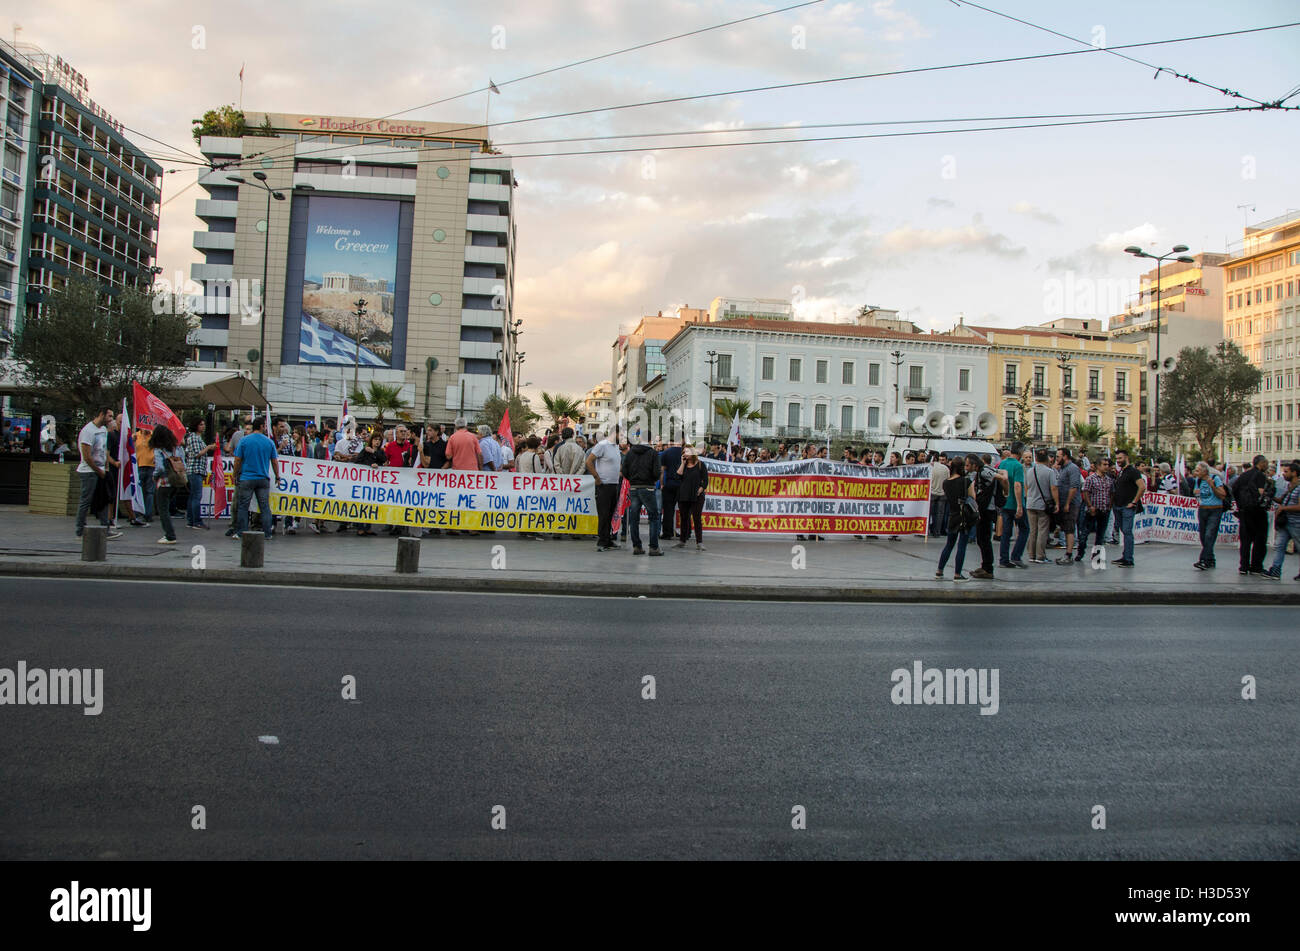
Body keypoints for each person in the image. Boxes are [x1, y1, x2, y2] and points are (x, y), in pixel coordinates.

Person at [229, 417, 279, 541]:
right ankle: (267, 533)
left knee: (243, 506)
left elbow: (237, 460)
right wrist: (277, 476)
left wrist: (235, 474)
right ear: (262, 426)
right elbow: (274, 461)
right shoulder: (269, 442)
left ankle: (241, 532)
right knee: (264, 507)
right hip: (263, 478)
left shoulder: (244, 441)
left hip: (246, 478)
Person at [74, 406, 121, 539]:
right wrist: (98, 470)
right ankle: (80, 529)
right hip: (89, 471)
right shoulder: (88, 431)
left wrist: (105, 469)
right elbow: (87, 456)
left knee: (104, 499)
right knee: (86, 500)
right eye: (110, 416)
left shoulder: (103, 430)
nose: (111, 419)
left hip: (101, 470)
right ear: (102, 414)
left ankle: (105, 528)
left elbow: (104, 451)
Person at [966, 452, 1007, 579]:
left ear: (974, 464)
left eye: (968, 465)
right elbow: (1003, 472)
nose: (967, 468)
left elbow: (1003, 477)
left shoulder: (984, 471)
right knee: (982, 538)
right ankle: (985, 566)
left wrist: (1006, 491)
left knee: (983, 539)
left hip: (987, 508)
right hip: (986, 507)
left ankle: (988, 569)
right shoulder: (985, 469)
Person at [621, 434, 663, 556]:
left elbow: (624, 471)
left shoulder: (630, 453)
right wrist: (652, 480)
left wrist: (633, 479)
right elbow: (657, 471)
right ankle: (654, 548)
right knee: (654, 517)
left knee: (634, 518)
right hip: (648, 488)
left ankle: (637, 546)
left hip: (633, 488)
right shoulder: (653, 453)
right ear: (650, 440)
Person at [1233, 454, 1273, 576]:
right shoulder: (1260, 475)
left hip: (1244, 511)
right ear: (1261, 463)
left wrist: (1240, 504)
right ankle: (1256, 566)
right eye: (1266, 463)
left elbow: (1234, 489)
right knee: (1259, 539)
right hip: (1257, 511)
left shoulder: (1243, 475)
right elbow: (1261, 493)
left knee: (1245, 540)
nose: (1267, 465)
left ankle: (1243, 566)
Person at [934, 456, 971, 581]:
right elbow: (973, 496)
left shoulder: (946, 482)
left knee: (949, 544)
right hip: (964, 515)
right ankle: (957, 573)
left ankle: (940, 570)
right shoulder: (965, 481)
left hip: (952, 514)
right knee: (962, 545)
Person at [587, 427, 623, 551]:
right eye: (621, 435)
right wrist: (596, 477)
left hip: (614, 485)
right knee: (603, 513)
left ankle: (607, 540)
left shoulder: (615, 447)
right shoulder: (602, 445)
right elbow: (589, 461)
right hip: (604, 485)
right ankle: (602, 541)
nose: (623, 437)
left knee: (610, 514)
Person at [1264, 460, 1300, 580]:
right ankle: (1275, 570)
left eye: (1286, 472)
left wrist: (1284, 508)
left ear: (1294, 473)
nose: (1283, 474)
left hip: (1296, 523)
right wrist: (1270, 496)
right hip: (1285, 523)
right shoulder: (1289, 487)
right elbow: (1282, 500)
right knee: (1280, 546)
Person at [1110, 449, 1145, 568]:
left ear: (1126, 458)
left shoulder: (1133, 472)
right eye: (1117, 459)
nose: (1118, 461)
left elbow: (1142, 487)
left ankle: (1129, 559)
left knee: (1127, 532)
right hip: (1118, 506)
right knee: (1123, 531)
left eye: (1120, 458)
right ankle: (1125, 556)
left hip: (1127, 507)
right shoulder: (1121, 472)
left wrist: (1134, 502)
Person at [148, 425, 183, 545]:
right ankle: (169, 534)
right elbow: (183, 463)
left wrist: (155, 476)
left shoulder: (159, 450)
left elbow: (160, 468)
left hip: (164, 483)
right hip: (176, 482)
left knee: (163, 510)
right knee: (167, 508)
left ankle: (170, 535)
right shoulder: (176, 448)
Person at [1024, 448, 1059, 564]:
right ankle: (1040, 555)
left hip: (1030, 503)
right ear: (1047, 459)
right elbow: (1053, 488)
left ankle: (1031, 554)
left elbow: (1026, 487)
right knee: (1042, 531)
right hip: (1043, 505)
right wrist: (1057, 503)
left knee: (1033, 530)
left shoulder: (1029, 471)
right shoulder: (1050, 472)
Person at [1076, 456, 1114, 563]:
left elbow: (1111, 493)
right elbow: (1085, 492)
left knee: (1100, 536)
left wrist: (1109, 506)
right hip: (1092, 511)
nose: (1106, 467)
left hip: (1104, 510)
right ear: (1098, 466)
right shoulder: (1090, 479)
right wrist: (1090, 506)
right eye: (1104, 465)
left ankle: (1096, 555)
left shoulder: (1109, 480)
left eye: (1107, 465)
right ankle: (1081, 551)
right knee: (1085, 533)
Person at [1191, 460, 1227, 570]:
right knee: (1203, 536)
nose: (1196, 472)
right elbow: (1196, 493)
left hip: (1215, 509)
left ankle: (1204, 560)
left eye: (1198, 470)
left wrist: (1212, 486)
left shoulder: (1215, 479)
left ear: (1204, 471)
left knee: (1209, 535)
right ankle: (1211, 559)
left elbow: (1222, 495)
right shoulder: (1198, 481)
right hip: (1203, 509)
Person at [998, 441, 1028, 569]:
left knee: (1006, 532)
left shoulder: (1003, 463)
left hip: (1004, 502)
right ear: (1021, 452)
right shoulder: (1018, 466)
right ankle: (1016, 556)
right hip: (1015, 503)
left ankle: (1003, 559)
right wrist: (1020, 505)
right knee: (1025, 529)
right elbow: (1017, 485)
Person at [184, 417, 217, 530]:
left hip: (197, 470)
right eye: (201, 424)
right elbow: (197, 454)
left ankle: (191, 519)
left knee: (193, 496)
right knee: (197, 496)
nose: (203, 426)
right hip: (195, 470)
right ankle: (196, 521)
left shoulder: (197, 437)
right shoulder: (193, 437)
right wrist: (208, 447)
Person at [674, 445, 710, 550]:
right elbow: (678, 476)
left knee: (696, 518)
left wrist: (701, 489)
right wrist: (682, 463)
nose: (685, 454)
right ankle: (682, 541)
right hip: (683, 495)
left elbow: (706, 480)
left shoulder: (700, 465)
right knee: (684, 519)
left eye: (687, 452)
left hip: (697, 496)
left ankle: (699, 542)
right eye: (684, 452)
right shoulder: (683, 465)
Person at [354, 431, 388, 536]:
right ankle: (360, 527)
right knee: (362, 504)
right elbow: (358, 462)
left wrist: (374, 452)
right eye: (375, 440)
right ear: (371, 440)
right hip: (365, 481)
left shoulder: (380, 452)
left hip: (375, 483)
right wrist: (369, 465)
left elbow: (384, 459)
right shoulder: (365, 451)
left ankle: (368, 527)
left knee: (371, 505)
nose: (377, 442)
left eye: (379, 440)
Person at [1054, 447, 1083, 565]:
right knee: (1066, 528)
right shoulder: (1063, 469)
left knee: (1070, 528)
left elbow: (1074, 487)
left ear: (1065, 456)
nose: (1056, 459)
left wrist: (1067, 503)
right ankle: (1067, 553)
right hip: (1064, 503)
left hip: (1070, 503)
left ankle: (1069, 554)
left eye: (1058, 456)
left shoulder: (1073, 468)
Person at [660, 437, 684, 542]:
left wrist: (661, 484)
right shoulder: (687, 452)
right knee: (684, 510)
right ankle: (685, 533)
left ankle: (667, 533)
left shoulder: (666, 452)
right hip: (683, 485)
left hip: (669, 483)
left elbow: (662, 470)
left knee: (668, 510)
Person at [133, 423, 156, 525]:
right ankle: (137, 513)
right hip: (139, 465)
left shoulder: (153, 436)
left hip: (151, 466)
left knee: (149, 491)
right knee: (138, 491)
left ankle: (148, 514)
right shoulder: (135, 436)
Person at [928, 452, 950, 537]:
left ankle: (927, 530)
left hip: (932, 492)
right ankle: (937, 532)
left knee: (929, 512)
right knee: (940, 514)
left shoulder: (931, 467)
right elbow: (948, 480)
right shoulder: (946, 469)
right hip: (942, 493)